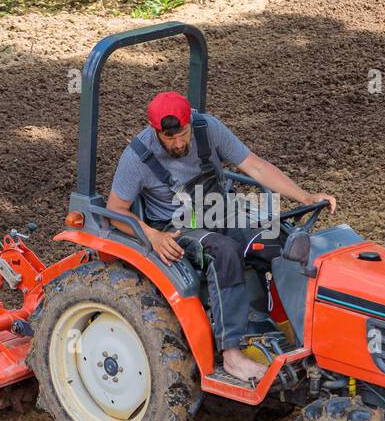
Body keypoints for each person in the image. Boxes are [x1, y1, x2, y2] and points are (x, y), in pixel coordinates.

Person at [107, 91, 337, 383]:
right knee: (224, 252)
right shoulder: (137, 158)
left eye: (183, 134)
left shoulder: (208, 129)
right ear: (155, 131)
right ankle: (231, 354)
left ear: (191, 122)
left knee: (277, 240)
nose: (178, 143)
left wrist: (304, 196)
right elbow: (115, 210)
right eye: (169, 138)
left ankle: (291, 326)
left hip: (217, 210)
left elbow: (255, 166)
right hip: (176, 227)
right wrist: (152, 236)